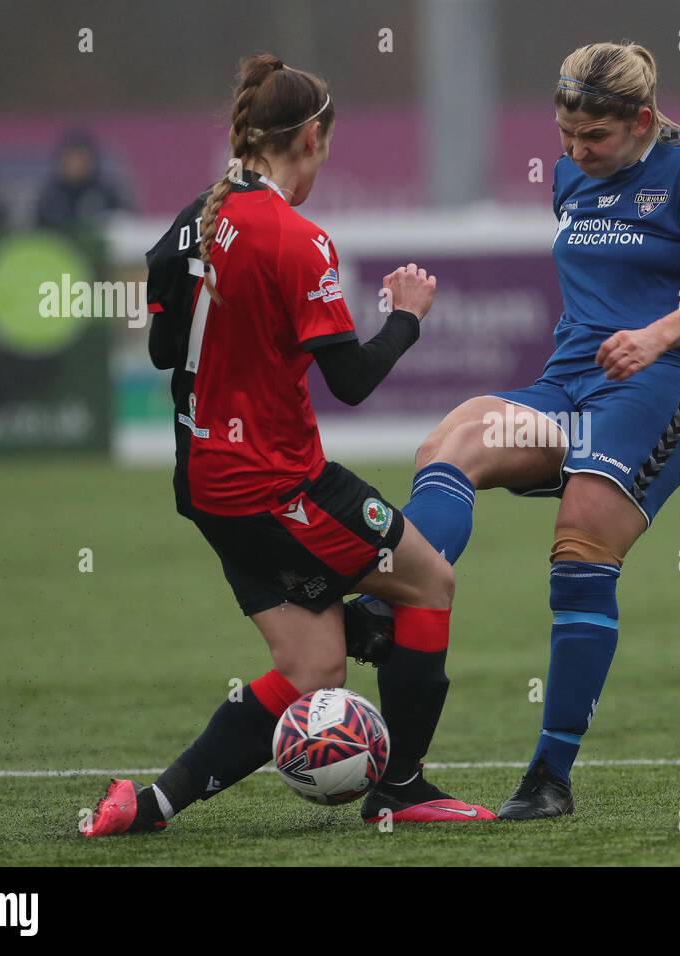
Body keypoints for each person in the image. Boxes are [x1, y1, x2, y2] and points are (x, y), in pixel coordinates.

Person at [83, 53, 494, 836]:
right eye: (325, 146)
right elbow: (352, 381)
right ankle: (401, 788)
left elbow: (164, 353)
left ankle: (148, 806)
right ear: (310, 137)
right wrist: (407, 315)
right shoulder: (297, 240)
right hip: (280, 486)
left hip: (208, 488)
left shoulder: (192, 218)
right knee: (430, 582)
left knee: (312, 668)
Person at [349, 40, 680, 818]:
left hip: (655, 388)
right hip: (567, 383)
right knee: (451, 441)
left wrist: (657, 336)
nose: (574, 153)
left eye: (593, 138)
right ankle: (389, 606)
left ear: (641, 120)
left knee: (579, 542)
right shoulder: (570, 177)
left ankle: (548, 778)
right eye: (564, 138)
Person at [34, 130, 129, 229]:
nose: (76, 164)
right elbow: (37, 232)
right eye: (71, 159)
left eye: (81, 159)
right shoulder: (50, 196)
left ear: (91, 161)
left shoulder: (106, 194)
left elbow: (124, 225)